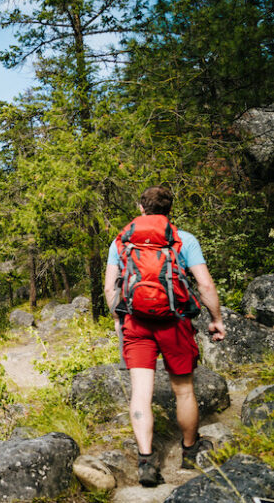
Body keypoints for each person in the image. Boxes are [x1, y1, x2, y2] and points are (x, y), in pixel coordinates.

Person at [103, 186, 226, 486]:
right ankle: (189, 450)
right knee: (183, 390)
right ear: (170, 209)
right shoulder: (184, 240)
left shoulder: (121, 241)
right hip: (176, 322)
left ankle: (146, 462)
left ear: (140, 208)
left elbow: (110, 288)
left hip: (136, 323)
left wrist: (119, 318)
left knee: (140, 393)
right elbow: (205, 286)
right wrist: (216, 319)